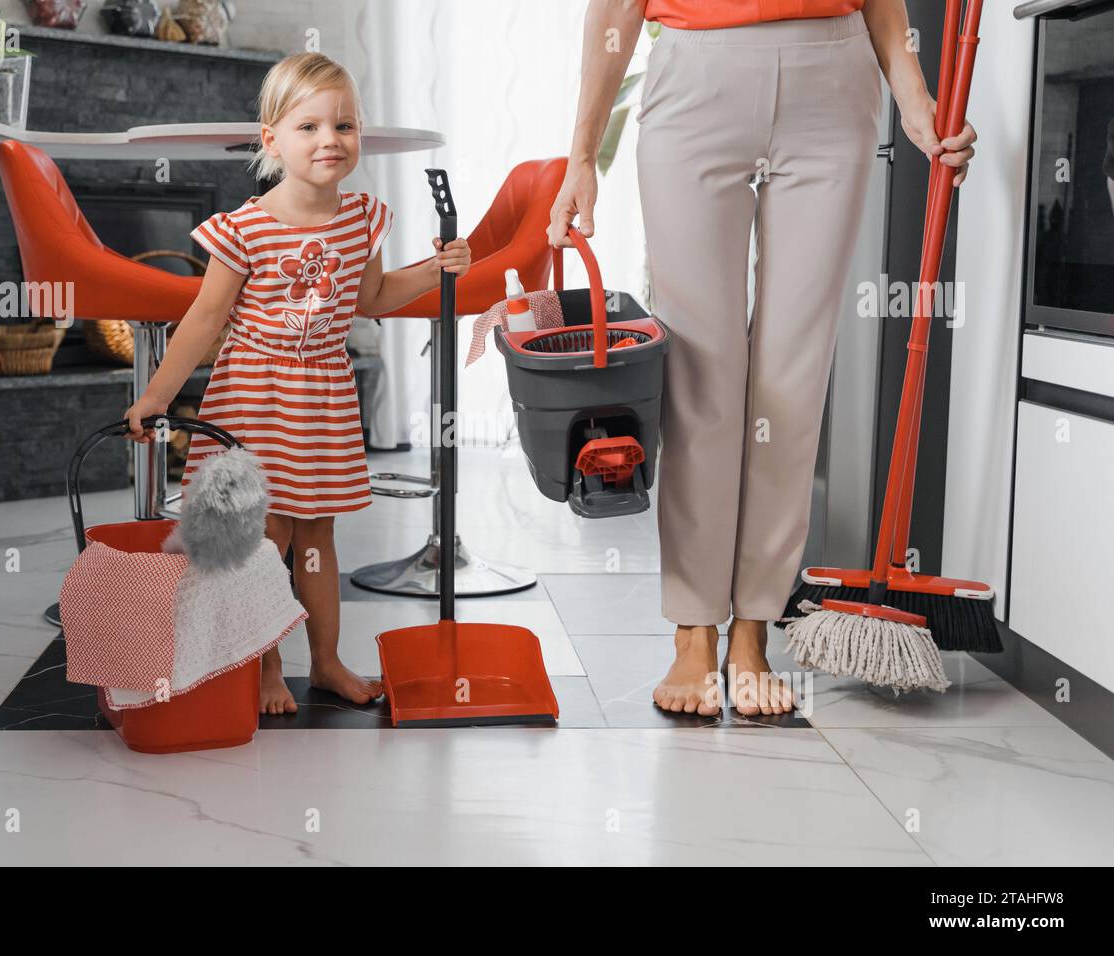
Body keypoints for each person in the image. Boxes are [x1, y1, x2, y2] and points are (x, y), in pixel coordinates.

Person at [547, 0, 976, 716]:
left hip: (833, 77)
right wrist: (582, 156)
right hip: (697, 72)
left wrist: (917, 102)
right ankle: (693, 631)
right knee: (701, 373)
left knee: (792, 378)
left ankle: (751, 632)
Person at [124, 52, 472, 715]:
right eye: (308, 127)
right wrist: (158, 396)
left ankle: (329, 662)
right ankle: (262, 668)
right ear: (271, 139)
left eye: (344, 126)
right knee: (266, 540)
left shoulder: (364, 218)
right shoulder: (245, 228)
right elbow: (204, 320)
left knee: (318, 536)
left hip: (323, 399)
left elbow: (371, 296)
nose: (329, 141)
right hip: (253, 396)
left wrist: (436, 269)